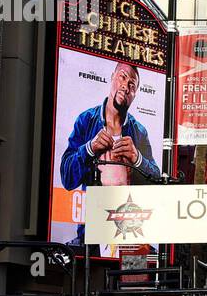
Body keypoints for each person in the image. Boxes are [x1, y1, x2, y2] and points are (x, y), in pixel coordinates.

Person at [58, 62, 159, 242]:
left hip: (130, 234)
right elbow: (67, 178)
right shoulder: (86, 120)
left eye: (132, 85)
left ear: (135, 94)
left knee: (135, 269)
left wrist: (137, 159)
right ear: (112, 77)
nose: (125, 86)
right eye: (122, 77)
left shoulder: (139, 132)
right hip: (92, 234)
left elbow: (157, 184)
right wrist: (90, 148)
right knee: (88, 269)